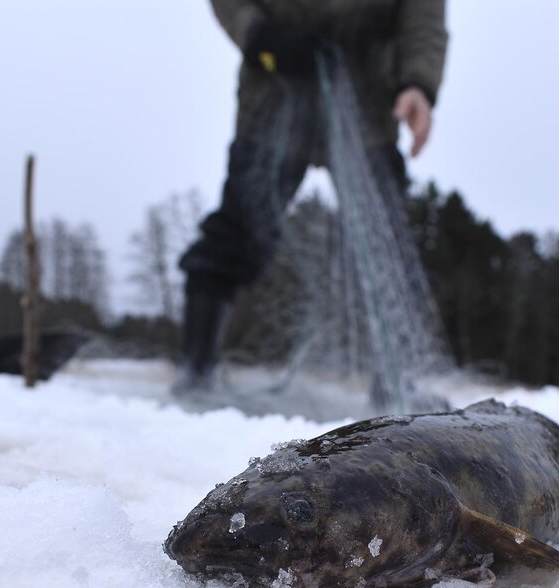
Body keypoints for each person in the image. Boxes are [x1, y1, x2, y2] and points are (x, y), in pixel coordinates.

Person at [173, 0, 448, 393]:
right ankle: (194, 372)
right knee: (238, 229)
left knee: (384, 243)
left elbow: (424, 17)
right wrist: (259, 36)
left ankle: (395, 383)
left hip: (368, 102)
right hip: (273, 93)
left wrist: (419, 83)